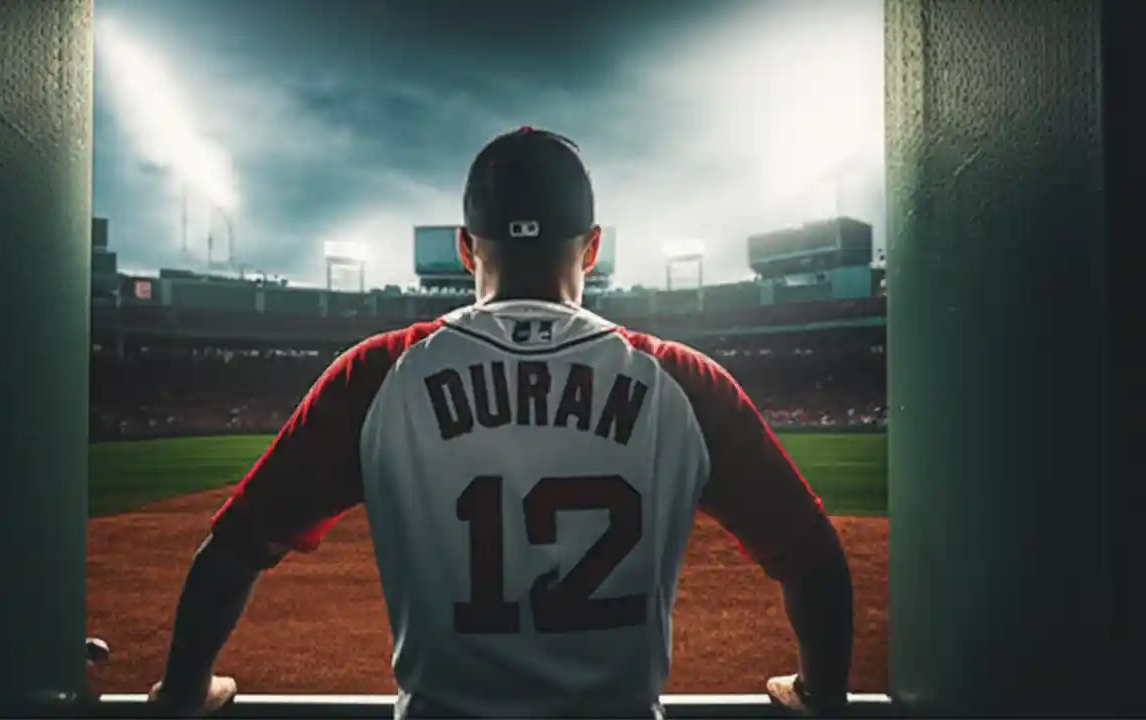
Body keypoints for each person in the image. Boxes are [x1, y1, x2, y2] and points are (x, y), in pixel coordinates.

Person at [147, 127, 854, 718]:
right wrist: (818, 695)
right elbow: (814, 559)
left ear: (464, 246)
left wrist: (184, 693)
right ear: (593, 245)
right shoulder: (681, 379)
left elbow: (231, 553)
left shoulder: (379, 372)